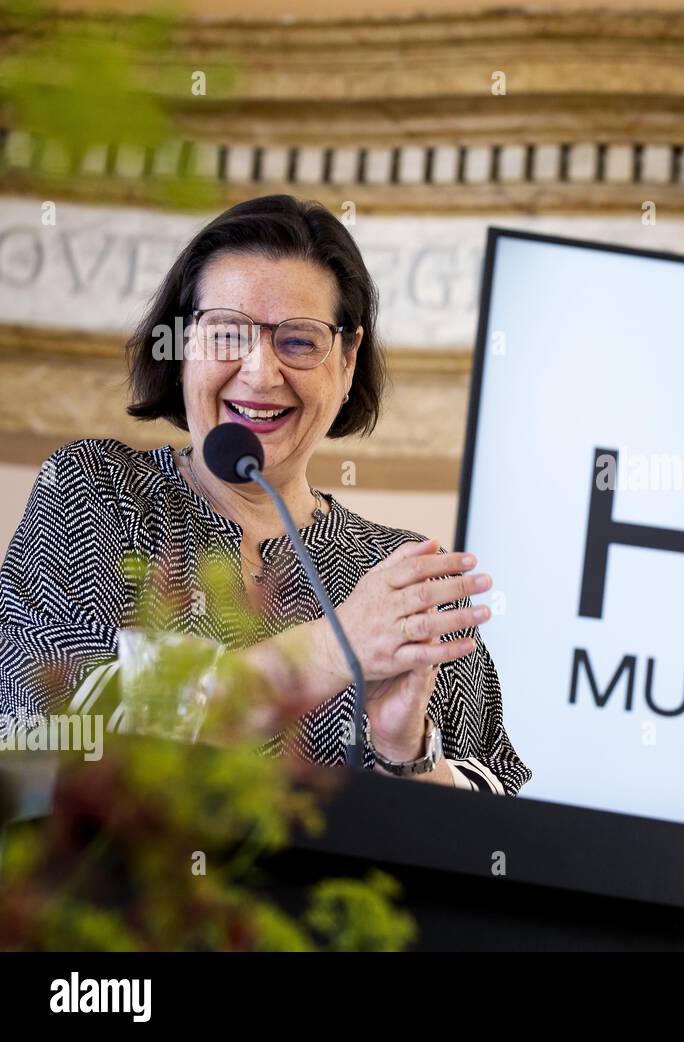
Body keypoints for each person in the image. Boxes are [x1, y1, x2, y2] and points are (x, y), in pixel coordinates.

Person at [0, 194, 529, 795]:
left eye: (299, 342)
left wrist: (402, 754)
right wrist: (330, 651)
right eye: (226, 334)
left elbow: (501, 833)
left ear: (348, 361)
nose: (259, 371)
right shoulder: (100, 491)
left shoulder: (400, 582)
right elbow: (51, 735)